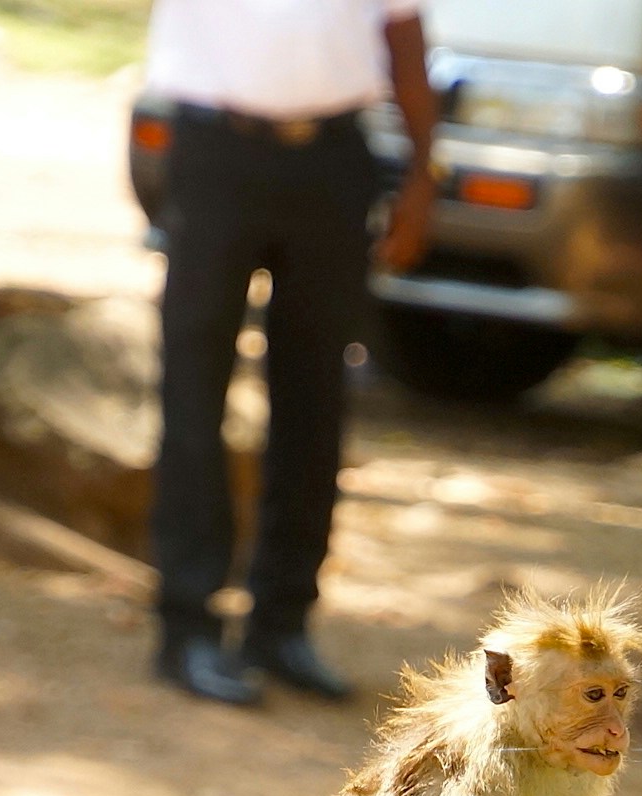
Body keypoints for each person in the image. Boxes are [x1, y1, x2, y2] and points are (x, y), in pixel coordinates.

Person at [140, 0, 439, 706]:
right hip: (216, 152)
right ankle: (187, 626)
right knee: (193, 392)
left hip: (333, 164)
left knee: (315, 398)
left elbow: (403, 26)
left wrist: (425, 168)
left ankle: (282, 623)